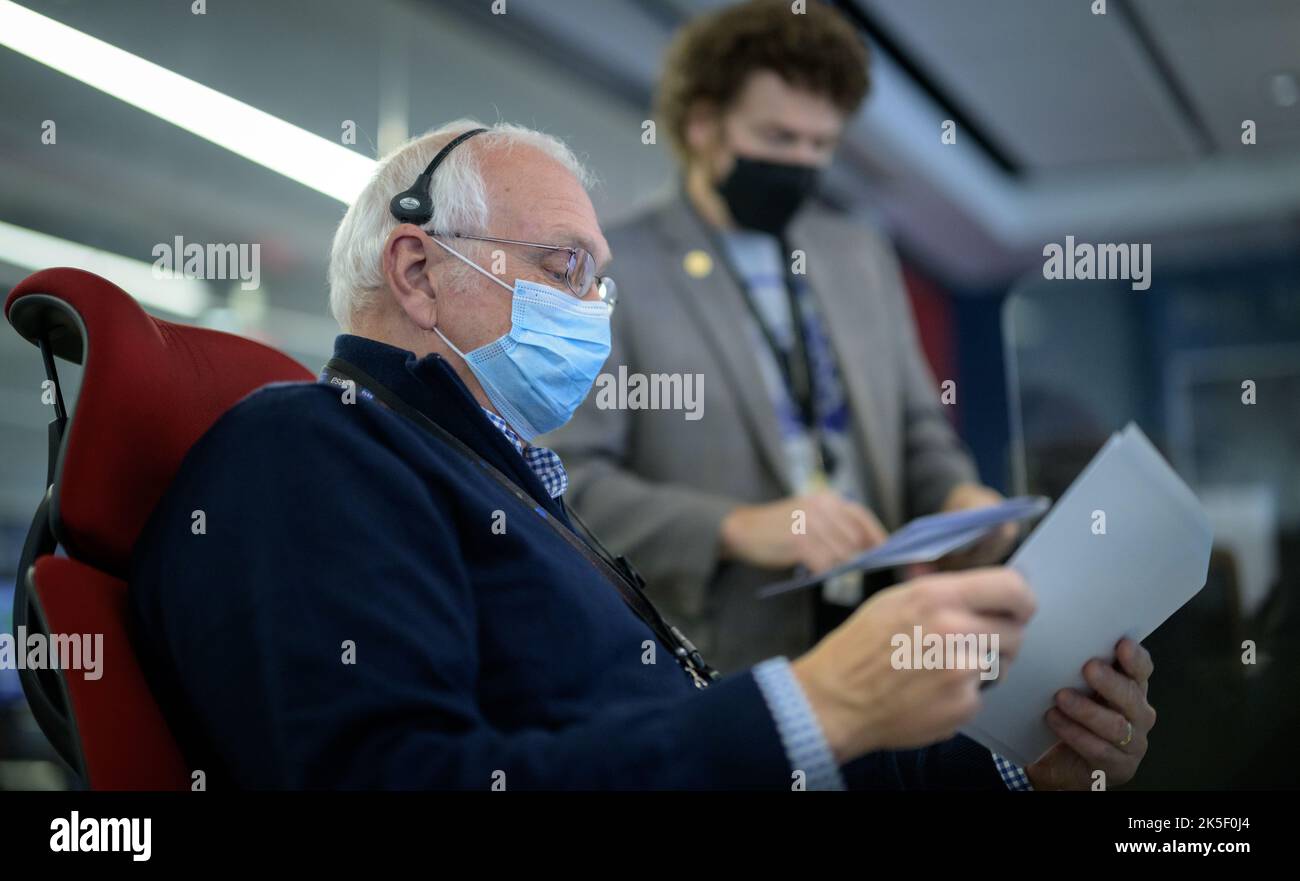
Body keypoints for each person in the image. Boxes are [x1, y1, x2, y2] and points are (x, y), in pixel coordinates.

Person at [128, 120, 1156, 790]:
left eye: (600, 284)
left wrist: (1022, 766)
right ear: (416, 269)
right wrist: (821, 699)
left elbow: (669, 746)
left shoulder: (510, 490)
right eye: (563, 267)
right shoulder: (311, 448)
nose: (593, 314)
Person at [546, 0, 1015, 674]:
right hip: (721, 657)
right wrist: (734, 527)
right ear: (703, 125)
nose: (802, 163)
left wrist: (959, 500)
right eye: (778, 139)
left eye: (821, 145)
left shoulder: (859, 254)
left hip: (886, 629)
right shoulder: (618, 266)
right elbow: (570, 483)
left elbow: (918, 430)